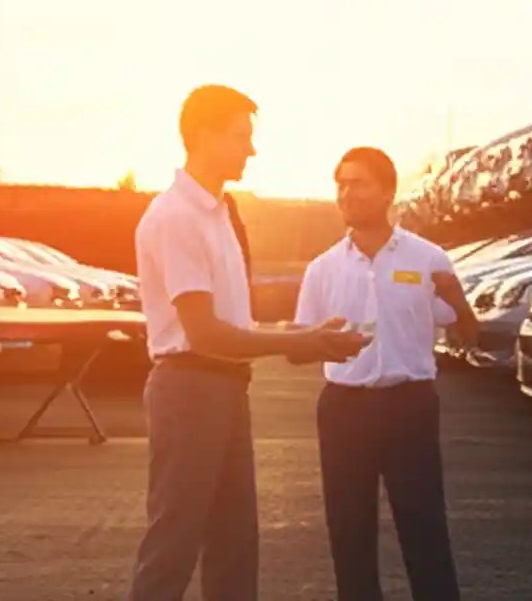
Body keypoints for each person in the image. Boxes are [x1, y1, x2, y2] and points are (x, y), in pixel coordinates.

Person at [128, 85, 366, 601]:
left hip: (224, 388)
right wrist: (297, 343)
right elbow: (205, 333)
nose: (251, 150)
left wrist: (311, 337)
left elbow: (235, 324)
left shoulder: (219, 216)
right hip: (191, 389)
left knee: (235, 545)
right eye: (241, 137)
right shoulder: (177, 218)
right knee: (174, 544)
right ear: (203, 135)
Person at [295, 147, 479, 601]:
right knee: (349, 530)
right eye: (340, 183)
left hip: (409, 406)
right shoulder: (322, 269)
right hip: (344, 409)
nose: (346, 193)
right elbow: (298, 349)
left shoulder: (429, 259)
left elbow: (465, 331)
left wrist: (458, 300)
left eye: (358, 183)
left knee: (424, 526)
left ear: (387, 191)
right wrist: (320, 341)